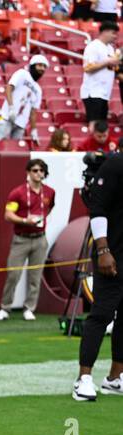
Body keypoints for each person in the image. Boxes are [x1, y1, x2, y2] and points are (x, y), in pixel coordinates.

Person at [73, 151, 123, 401]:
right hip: (113, 253)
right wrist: (103, 249)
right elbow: (98, 208)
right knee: (102, 314)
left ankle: (115, 378)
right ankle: (83, 378)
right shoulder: (115, 163)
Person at [0, 158, 54, 324]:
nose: (38, 174)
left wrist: (39, 220)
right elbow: (8, 215)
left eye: (41, 171)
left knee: (35, 276)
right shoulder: (18, 192)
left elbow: (49, 208)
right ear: (28, 172)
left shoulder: (49, 192)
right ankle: (5, 308)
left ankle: (29, 308)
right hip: (21, 239)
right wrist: (26, 220)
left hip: (40, 238)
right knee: (13, 274)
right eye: (35, 170)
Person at [0, 54, 47, 143]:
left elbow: (33, 111)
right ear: (33, 65)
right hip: (7, 117)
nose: (42, 68)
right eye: (40, 65)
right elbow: (9, 88)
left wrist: (34, 130)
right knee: (0, 144)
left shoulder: (38, 89)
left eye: (44, 66)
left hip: (21, 123)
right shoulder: (22, 73)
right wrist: (11, 107)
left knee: (15, 151)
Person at [81, 21, 120, 124]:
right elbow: (87, 68)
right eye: (113, 33)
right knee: (94, 123)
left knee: (101, 125)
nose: (115, 36)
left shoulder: (110, 48)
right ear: (105, 32)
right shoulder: (93, 46)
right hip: (93, 92)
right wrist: (107, 61)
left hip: (104, 93)